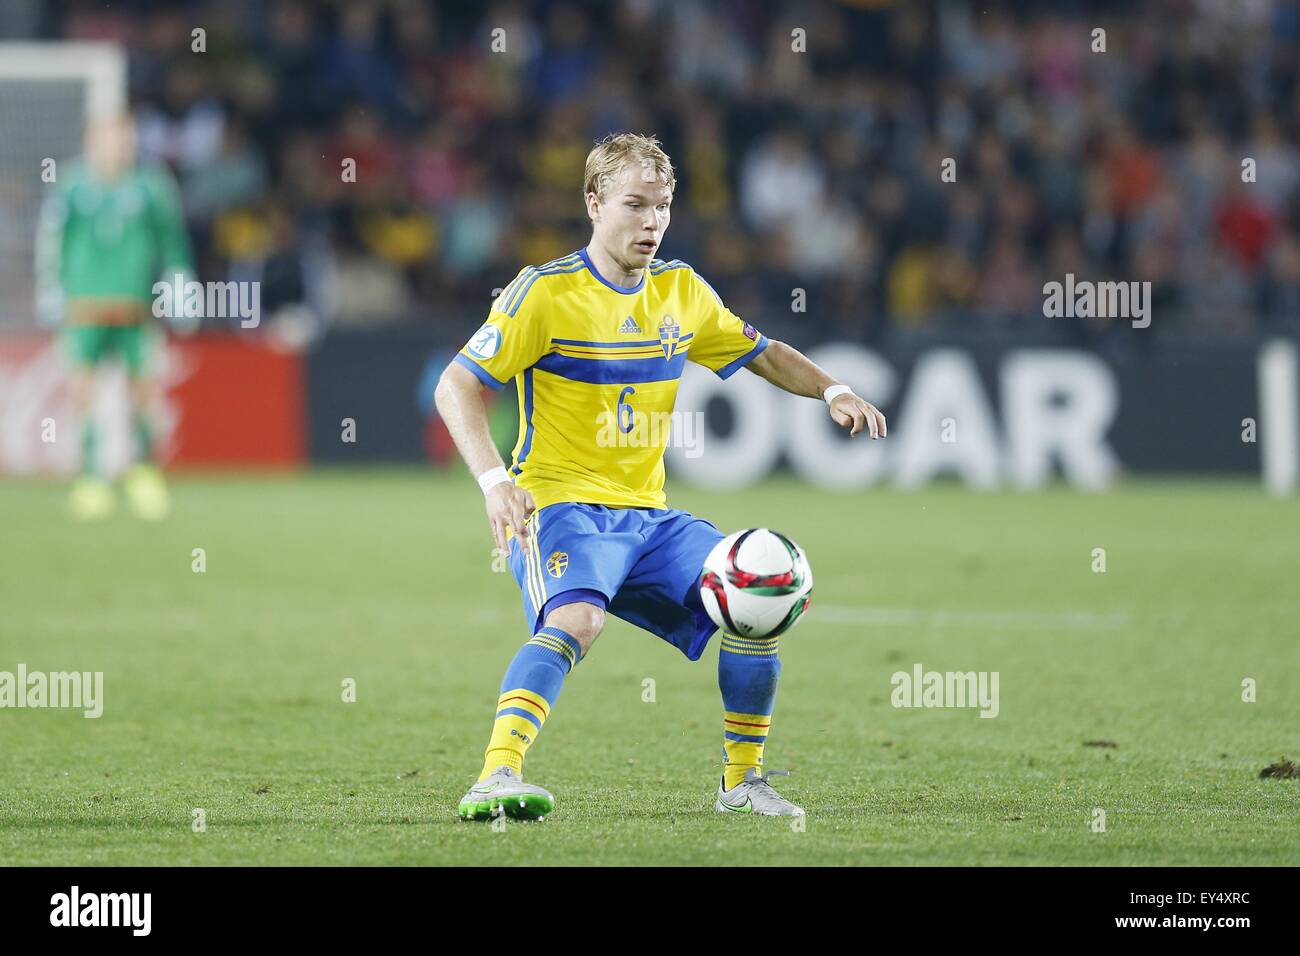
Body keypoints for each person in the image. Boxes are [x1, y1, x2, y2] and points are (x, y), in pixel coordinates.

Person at [435, 133, 886, 820]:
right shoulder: (544, 294)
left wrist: (833, 391)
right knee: (578, 620)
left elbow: (761, 352)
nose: (651, 222)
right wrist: (495, 481)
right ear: (594, 203)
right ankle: (495, 777)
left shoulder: (681, 291)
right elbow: (456, 386)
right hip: (561, 506)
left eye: (663, 207)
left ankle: (741, 784)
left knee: (757, 592)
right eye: (635, 205)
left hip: (648, 518)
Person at [36, 114, 194, 520]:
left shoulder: (151, 186)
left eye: (123, 140)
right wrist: (50, 286)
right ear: (93, 142)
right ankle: (91, 477)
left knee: (143, 388)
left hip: (134, 306)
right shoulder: (71, 185)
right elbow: (52, 238)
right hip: (84, 306)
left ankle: (145, 472)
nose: (116, 148)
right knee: (81, 388)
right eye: (108, 139)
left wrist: (179, 284)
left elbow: (172, 241)